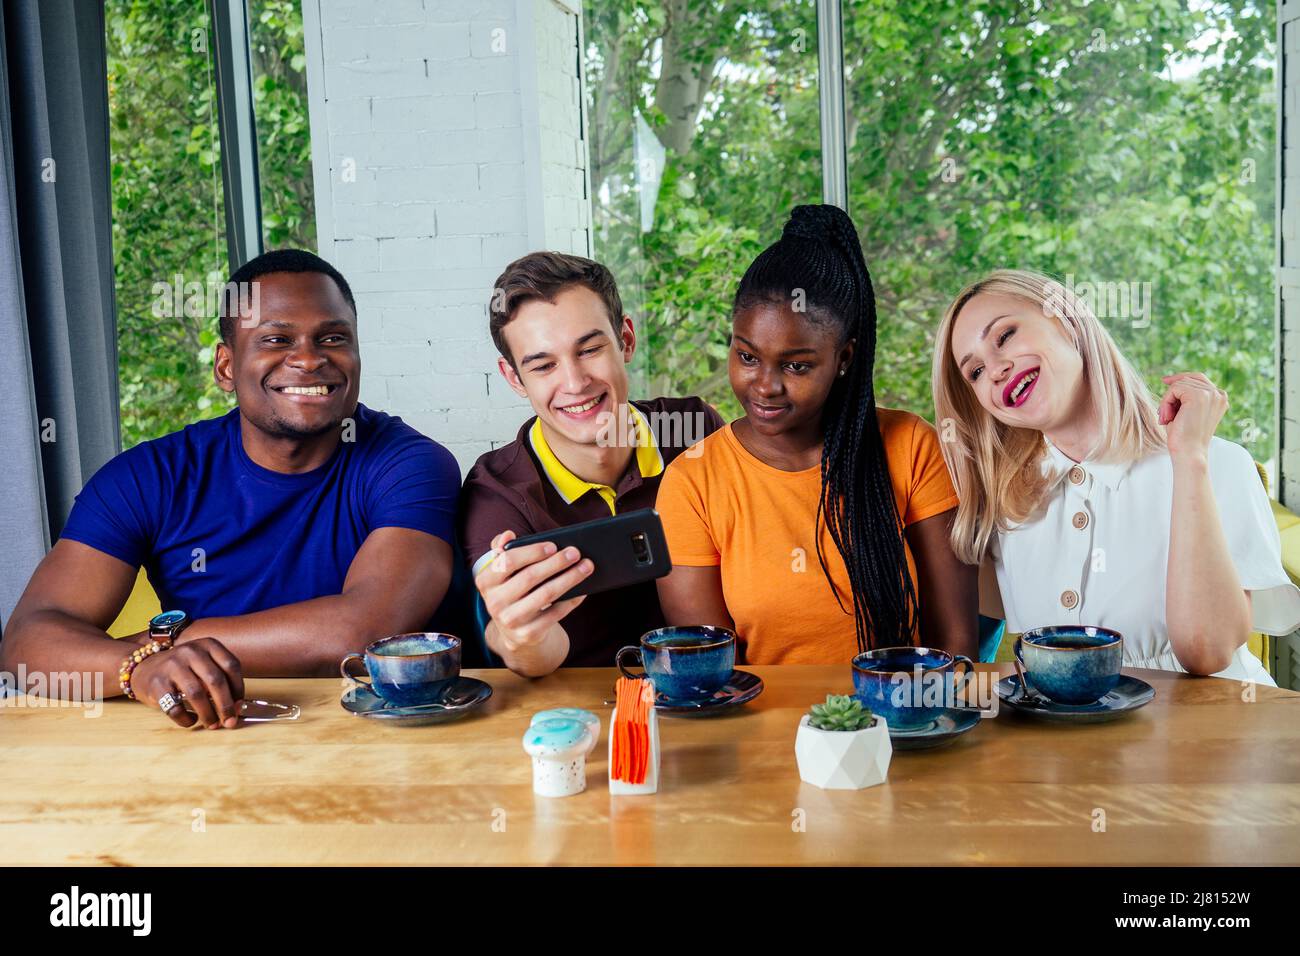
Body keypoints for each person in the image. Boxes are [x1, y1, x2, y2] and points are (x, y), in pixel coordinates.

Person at [1, 249, 461, 726]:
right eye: (277, 338)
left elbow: (364, 630)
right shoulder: (147, 477)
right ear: (225, 367)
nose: (308, 358)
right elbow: (26, 641)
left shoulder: (411, 464)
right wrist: (136, 670)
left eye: (333, 337)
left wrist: (165, 645)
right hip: (213, 727)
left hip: (375, 737)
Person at [933, 268, 1300, 685]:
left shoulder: (1216, 462)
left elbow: (1208, 651)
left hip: (1212, 735)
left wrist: (1191, 459)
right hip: (1068, 743)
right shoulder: (1001, 503)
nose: (995, 368)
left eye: (1005, 336)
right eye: (975, 372)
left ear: (1069, 322)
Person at [654, 205, 977, 664]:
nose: (765, 385)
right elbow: (712, 673)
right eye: (747, 357)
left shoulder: (909, 446)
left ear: (843, 359)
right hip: (766, 732)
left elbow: (955, 647)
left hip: (901, 722)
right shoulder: (694, 482)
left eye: (796, 366)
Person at [460, 251, 723, 675]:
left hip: (710, 687)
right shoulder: (495, 493)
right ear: (513, 378)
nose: (575, 382)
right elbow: (530, 653)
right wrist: (516, 636)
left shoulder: (694, 429)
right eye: (543, 365)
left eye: (590, 349)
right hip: (584, 715)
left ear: (627, 341)